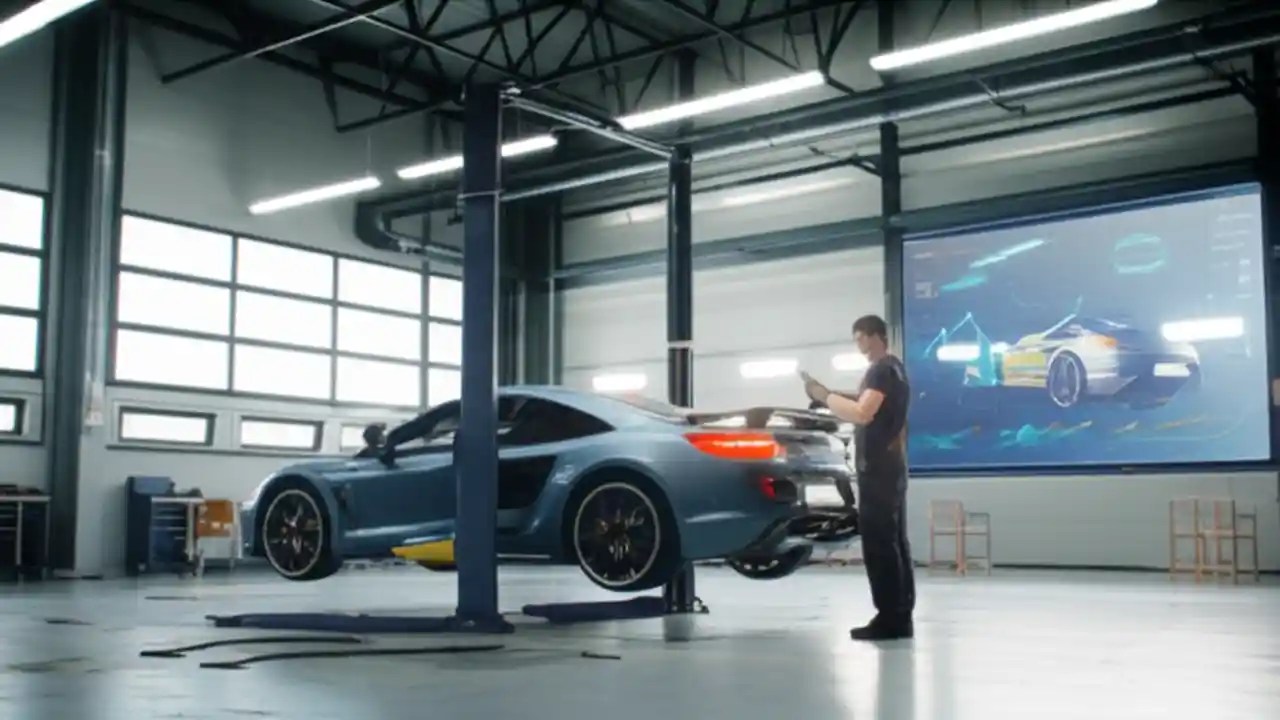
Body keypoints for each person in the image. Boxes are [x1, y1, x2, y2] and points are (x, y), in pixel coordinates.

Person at [801, 314, 914, 641]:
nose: (858, 345)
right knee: (895, 542)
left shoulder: (881, 369)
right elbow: (866, 401)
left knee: (879, 543)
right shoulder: (896, 370)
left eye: (858, 338)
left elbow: (864, 412)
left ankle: (889, 617)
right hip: (891, 468)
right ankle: (900, 615)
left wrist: (824, 397)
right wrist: (831, 394)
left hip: (878, 469)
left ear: (869, 336)